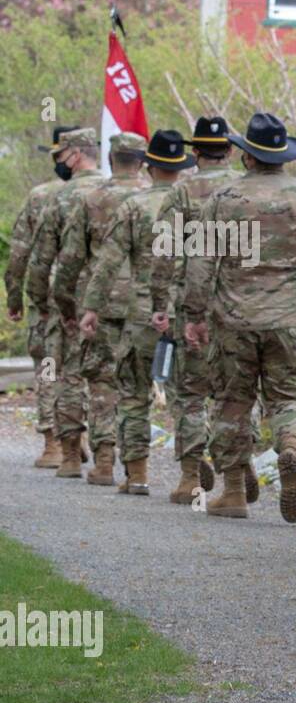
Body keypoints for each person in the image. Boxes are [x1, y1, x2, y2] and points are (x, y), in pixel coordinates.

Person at [183, 112, 296, 522]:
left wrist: (193, 315)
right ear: (284, 156)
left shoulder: (224, 200)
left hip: (234, 320)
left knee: (233, 403)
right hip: (292, 321)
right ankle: (290, 446)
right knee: (290, 398)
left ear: (246, 155)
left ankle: (233, 491)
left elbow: (200, 263)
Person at [80, 130, 194, 496]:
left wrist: (92, 308)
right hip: (184, 312)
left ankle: (138, 474)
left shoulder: (134, 207)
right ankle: (191, 476)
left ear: (149, 166)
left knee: (132, 394)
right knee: (186, 395)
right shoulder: (198, 208)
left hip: (142, 314)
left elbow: (108, 263)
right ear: (181, 168)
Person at [150, 116, 241, 503]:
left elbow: (165, 252)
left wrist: (160, 305)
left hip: (193, 304)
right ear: (232, 151)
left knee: (189, 394)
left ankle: (190, 478)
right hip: (242, 305)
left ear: (195, 152)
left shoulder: (182, 192)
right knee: (236, 391)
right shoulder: (246, 188)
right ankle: (238, 468)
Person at [49, 132, 148, 486]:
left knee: (102, 383)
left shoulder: (92, 200)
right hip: (147, 304)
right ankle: (140, 469)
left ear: (111, 160)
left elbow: (70, 260)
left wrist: (66, 306)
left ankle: (104, 461)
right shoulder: (156, 199)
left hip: (100, 305)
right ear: (143, 160)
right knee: (138, 385)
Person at [27, 127, 102, 477]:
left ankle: (65, 450)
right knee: (109, 379)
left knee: (63, 373)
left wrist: (38, 300)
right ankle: (114, 460)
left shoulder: (53, 197)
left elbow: (35, 256)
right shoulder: (116, 193)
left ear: (73, 155)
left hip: (68, 300)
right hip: (115, 302)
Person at [5, 124, 77, 468]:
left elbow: (19, 252)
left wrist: (14, 297)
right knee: (80, 366)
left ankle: (53, 443)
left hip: (46, 295)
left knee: (49, 365)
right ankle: (79, 437)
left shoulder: (40, 196)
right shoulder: (100, 192)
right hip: (86, 296)